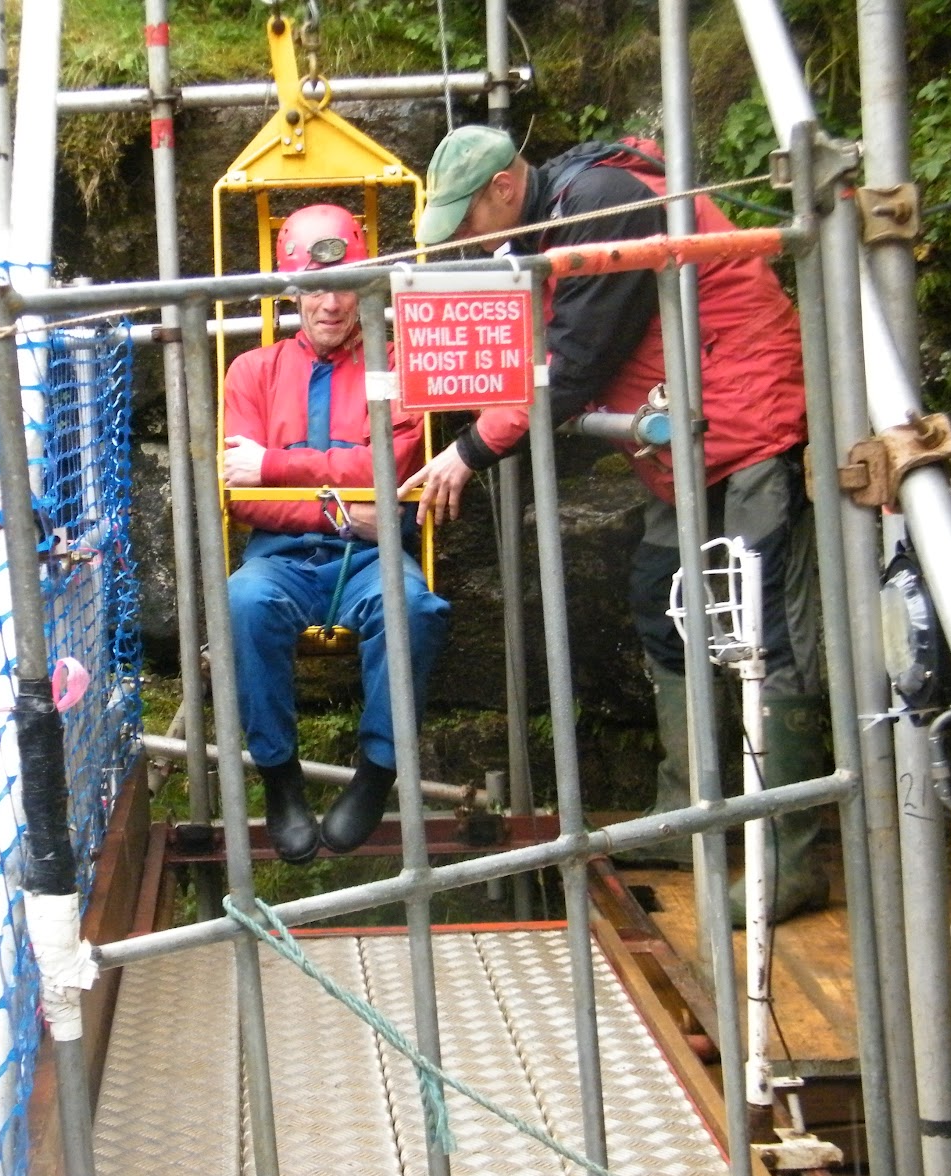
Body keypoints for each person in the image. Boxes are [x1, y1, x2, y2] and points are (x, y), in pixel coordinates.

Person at [403, 126, 828, 924]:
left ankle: (790, 856)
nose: (464, 240)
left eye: (466, 220)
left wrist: (469, 450)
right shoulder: (562, 209)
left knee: (764, 630)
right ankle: (686, 814)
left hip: (745, 425)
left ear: (503, 187)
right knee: (663, 606)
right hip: (684, 443)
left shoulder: (601, 204)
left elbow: (573, 364)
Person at [223, 203, 451, 864]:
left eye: (345, 286)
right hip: (282, 558)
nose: (331, 304)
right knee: (243, 603)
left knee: (413, 608)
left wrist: (276, 467)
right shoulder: (252, 372)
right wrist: (346, 509)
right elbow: (243, 498)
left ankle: (378, 771)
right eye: (316, 288)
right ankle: (281, 779)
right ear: (292, 291)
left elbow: (392, 469)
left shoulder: (396, 368)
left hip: (372, 558)